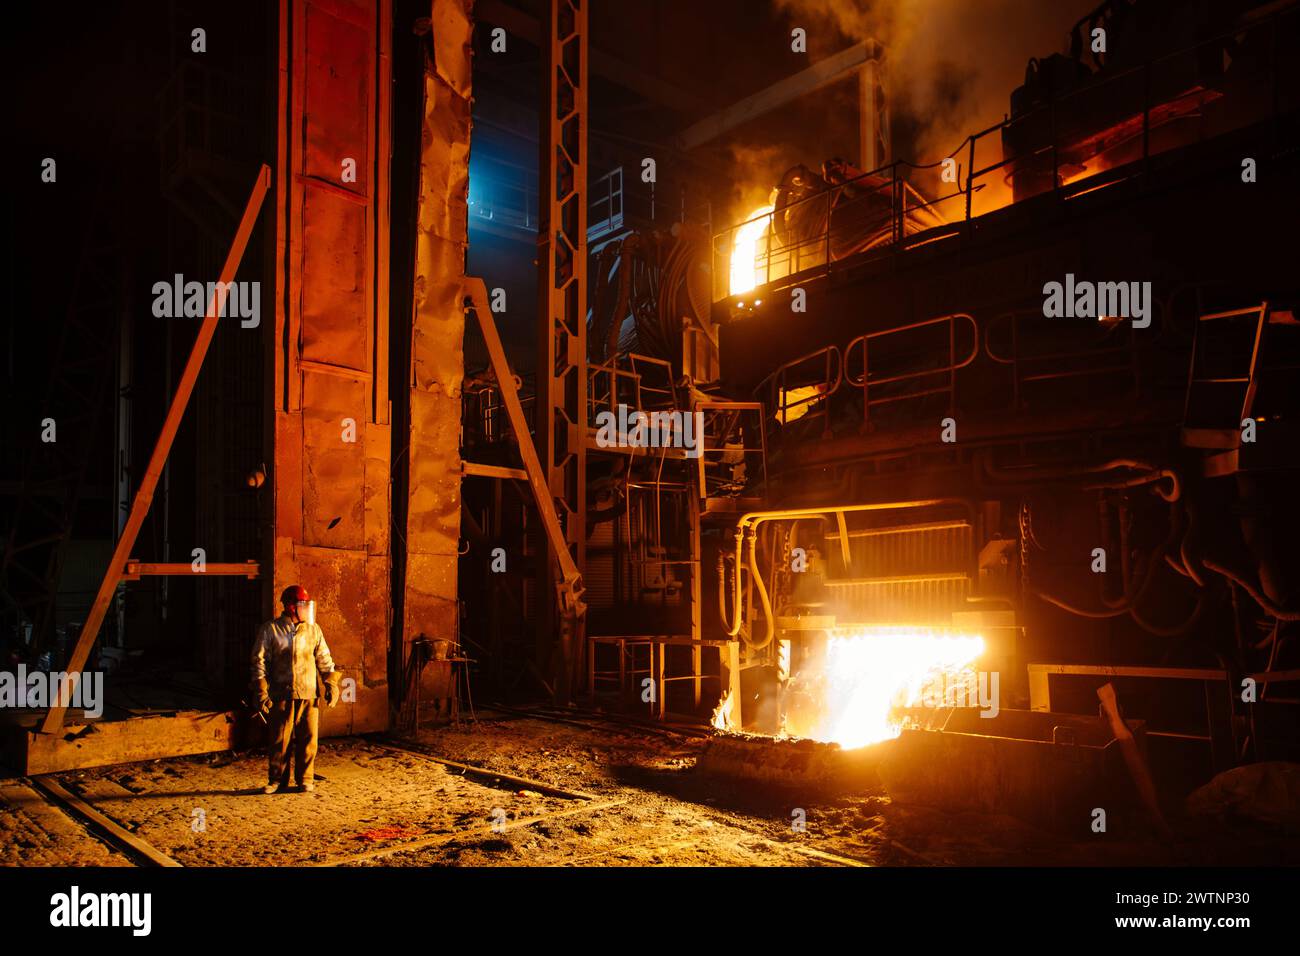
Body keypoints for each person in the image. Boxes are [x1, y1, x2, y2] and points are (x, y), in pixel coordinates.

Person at [250, 585, 341, 794]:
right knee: (279, 741)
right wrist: (262, 692)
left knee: (309, 740)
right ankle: (276, 781)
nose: (307, 609)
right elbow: (259, 662)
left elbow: (324, 658)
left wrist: (331, 684)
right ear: (291, 607)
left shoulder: (313, 629)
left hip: (309, 693)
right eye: (303, 605)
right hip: (282, 695)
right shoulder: (270, 630)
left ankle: (305, 779)